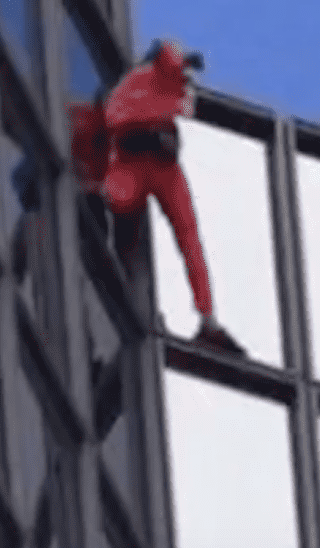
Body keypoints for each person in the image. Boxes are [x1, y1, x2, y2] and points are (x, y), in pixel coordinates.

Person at [73, 38, 245, 356]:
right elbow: (115, 116)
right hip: (134, 162)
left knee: (187, 234)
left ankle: (207, 320)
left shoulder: (166, 88)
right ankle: (139, 301)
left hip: (161, 165)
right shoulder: (141, 84)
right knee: (122, 207)